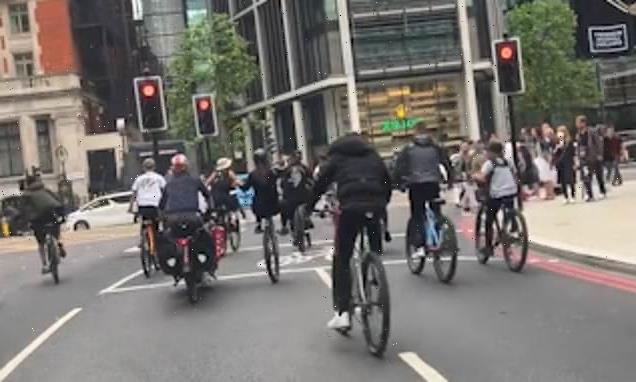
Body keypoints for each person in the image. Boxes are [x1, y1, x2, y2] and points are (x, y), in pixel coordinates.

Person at [306, 133, 392, 330]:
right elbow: (388, 181)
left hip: (351, 207)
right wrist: (382, 203)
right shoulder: (373, 156)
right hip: (375, 205)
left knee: (342, 257)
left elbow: (320, 183)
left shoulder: (338, 158)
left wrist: (309, 207)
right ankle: (374, 265)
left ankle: (342, 312)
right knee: (372, 242)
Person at [394, 134, 453, 255]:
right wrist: (450, 180)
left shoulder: (408, 149)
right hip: (433, 182)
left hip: (416, 184)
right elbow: (447, 164)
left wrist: (399, 183)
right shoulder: (436, 148)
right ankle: (441, 235)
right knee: (436, 210)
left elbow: (398, 168)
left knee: (417, 214)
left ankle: (419, 245)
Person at [473, 141, 518, 258]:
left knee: (489, 219)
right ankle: (510, 229)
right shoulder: (508, 161)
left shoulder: (489, 164)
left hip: (496, 194)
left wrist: (474, 176)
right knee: (509, 211)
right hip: (511, 191)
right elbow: (514, 174)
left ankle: (488, 247)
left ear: (491, 152)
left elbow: (482, 178)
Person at [21, 171, 67, 274]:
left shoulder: (26, 194)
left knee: (41, 243)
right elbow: (58, 201)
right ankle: (59, 244)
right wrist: (62, 215)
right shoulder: (45, 190)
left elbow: (24, 210)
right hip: (51, 215)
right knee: (56, 231)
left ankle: (45, 264)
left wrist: (26, 223)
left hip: (37, 220)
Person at [241, 149, 280, 234]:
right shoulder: (272, 172)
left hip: (259, 207)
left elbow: (245, 188)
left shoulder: (253, 174)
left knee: (255, 201)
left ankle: (258, 224)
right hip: (273, 204)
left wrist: (238, 183)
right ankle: (284, 226)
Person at [279, 150, 312, 235]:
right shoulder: (304, 168)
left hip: (290, 199)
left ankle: (284, 226)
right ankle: (307, 219)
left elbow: (282, 184)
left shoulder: (287, 169)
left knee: (282, 206)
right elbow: (311, 180)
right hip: (302, 198)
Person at [129, 158, 166, 232]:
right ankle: (156, 237)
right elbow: (165, 191)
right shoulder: (159, 178)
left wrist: (131, 207)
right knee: (156, 223)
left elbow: (134, 194)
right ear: (154, 167)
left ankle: (143, 238)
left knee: (144, 223)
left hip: (143, 204)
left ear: (143, 167)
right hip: (155, 204)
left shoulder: (139, 179)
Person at [575, 116, 606, 201]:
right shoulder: (578, 134)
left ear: (583, 123)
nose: (577, 125)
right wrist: (578, 157)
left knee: (598, 175)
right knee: (586, 177)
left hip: (593, 156)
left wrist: (599, 154)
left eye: (578, 122)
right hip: (584, 158)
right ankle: (590, 195)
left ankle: (602, 191)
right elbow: (578, 146)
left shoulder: (592, 131)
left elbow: (598, 143)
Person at [553, 126, 576, 204]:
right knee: (562, 181)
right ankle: (565, 196)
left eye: (561, 131)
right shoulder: (557, 142)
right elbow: (555, 153)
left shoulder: (569, 141)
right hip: (560, 163)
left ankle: (573, 196)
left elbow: (572, 152)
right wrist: (557, 147)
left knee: (570, 180)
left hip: (568, 162)